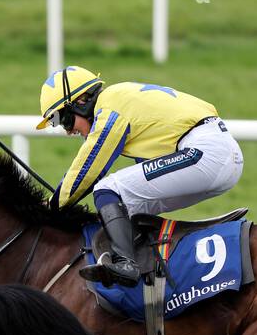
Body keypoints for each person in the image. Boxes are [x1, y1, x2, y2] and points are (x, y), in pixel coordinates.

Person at [37, 66, 243, 287]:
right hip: (218, 154)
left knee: (108, 189)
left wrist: (52, 205)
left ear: (81, 102)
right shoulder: (122, 100)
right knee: (131, 208)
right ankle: (152, 278)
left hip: (208, 153)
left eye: (63, 119)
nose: (67, 131)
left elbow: (89, 166)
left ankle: (126, 264)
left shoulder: (110, 105)